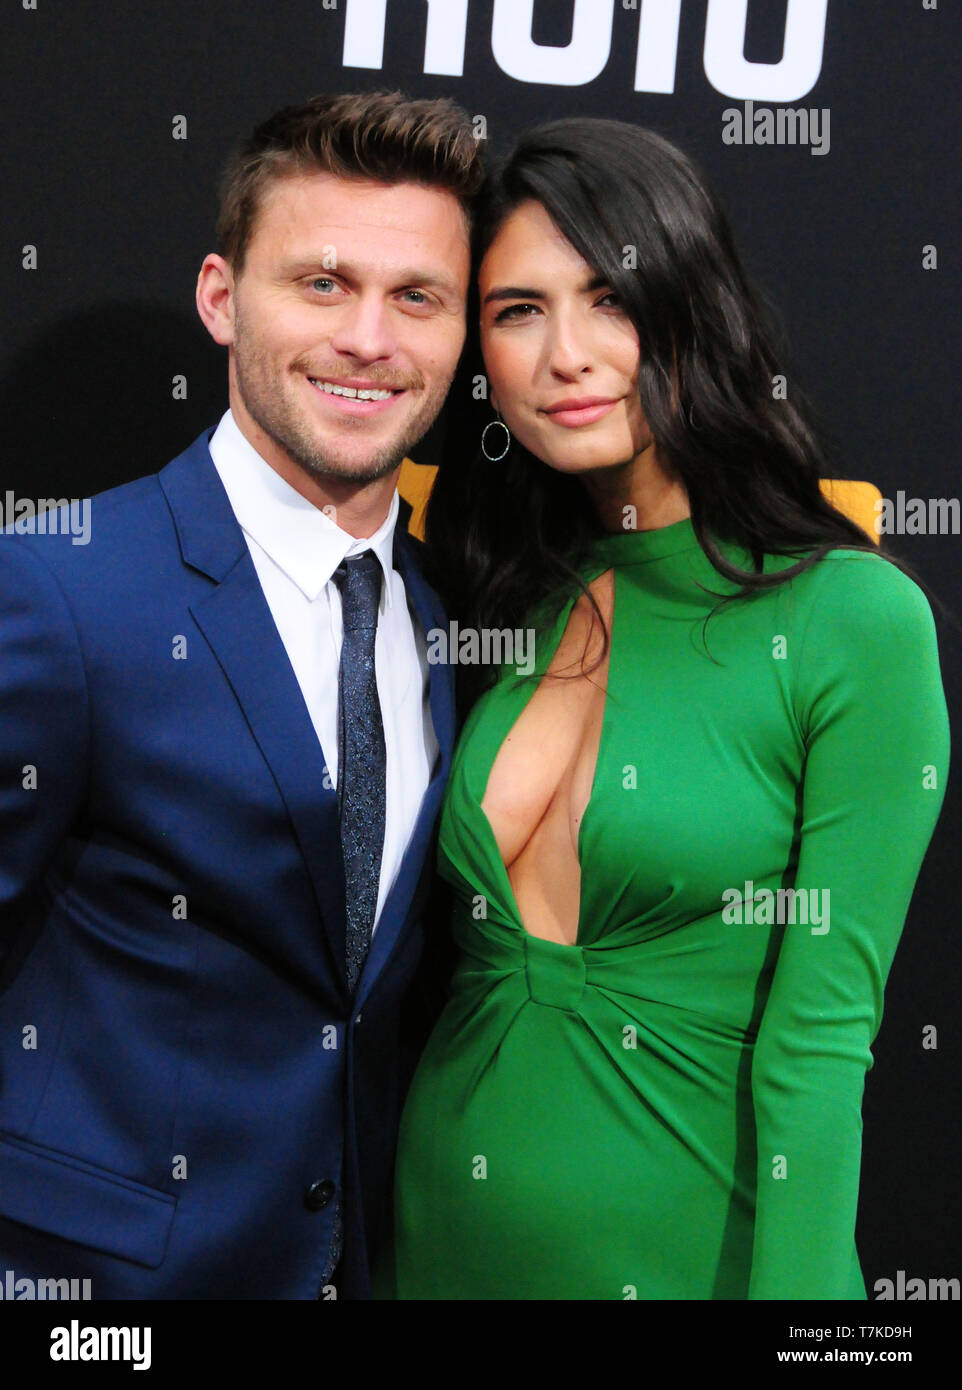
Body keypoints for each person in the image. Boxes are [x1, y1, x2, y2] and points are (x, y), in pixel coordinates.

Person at [381, 119, 951, 1299]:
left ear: (693, 307)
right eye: (516, 311)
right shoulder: (490, 592)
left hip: (699, 1260)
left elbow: (818, 1048)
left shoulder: (855, 622)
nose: (566, 354)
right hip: (440, 1242)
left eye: (610, 297)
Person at [0, 90, 482, 1299]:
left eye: (416, 296)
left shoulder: (441, 618)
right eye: (320, 283)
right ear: (222, 297)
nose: (369, 337)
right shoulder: (63, 587)